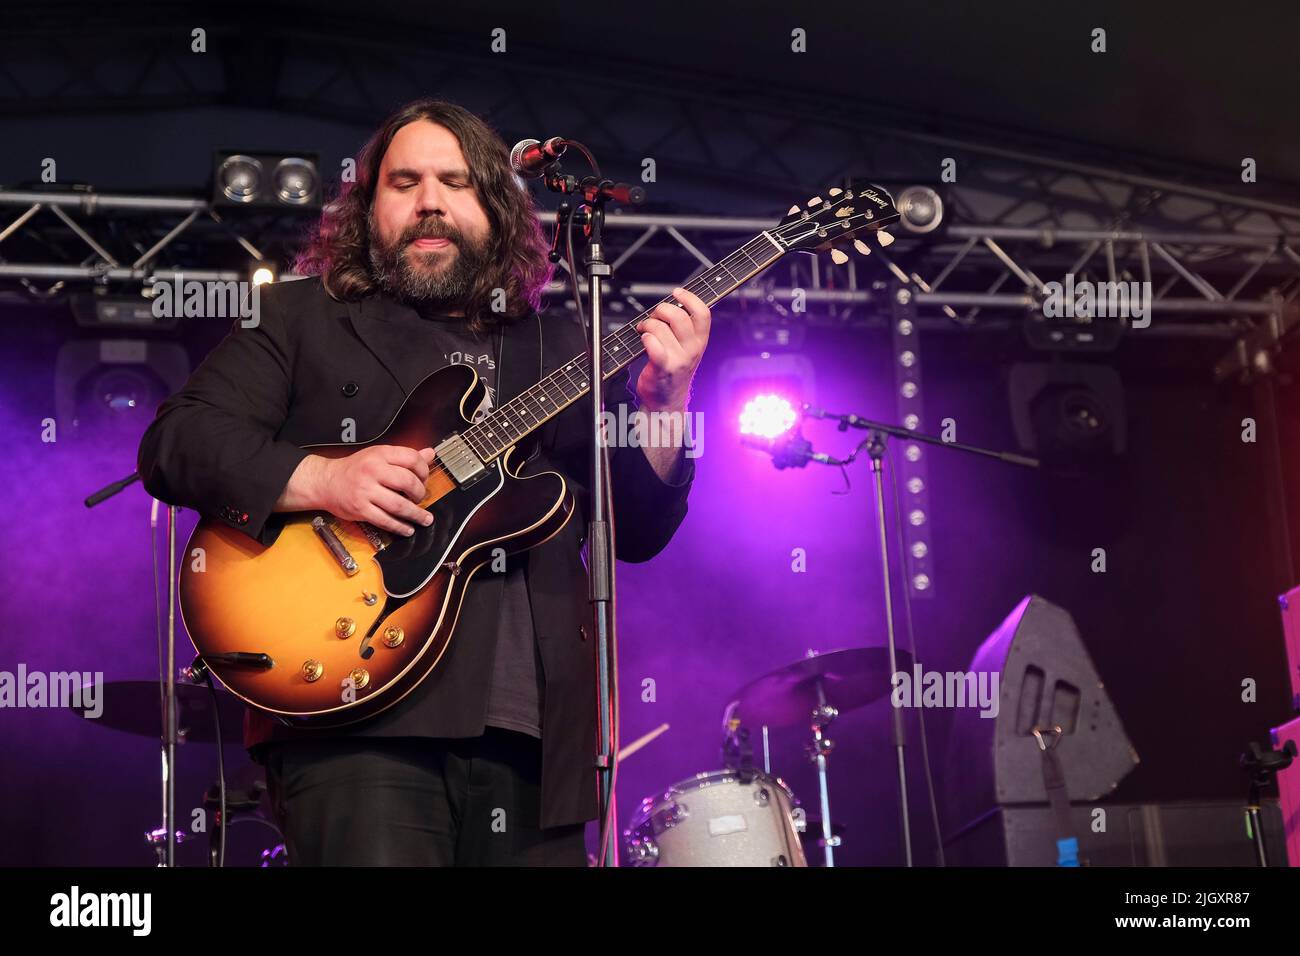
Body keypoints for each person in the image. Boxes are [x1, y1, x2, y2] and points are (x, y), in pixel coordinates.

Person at [136, 98, 710, 866]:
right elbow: (177, 442)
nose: (429, 202)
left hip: (534, 738)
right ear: (368, 207)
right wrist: (322, 477)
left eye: (455, 181)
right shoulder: (301, 317)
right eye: (404, 182)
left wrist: (666, 405)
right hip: (358, 718)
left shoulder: (563, 346)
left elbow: (635, 532)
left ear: (498, 208)